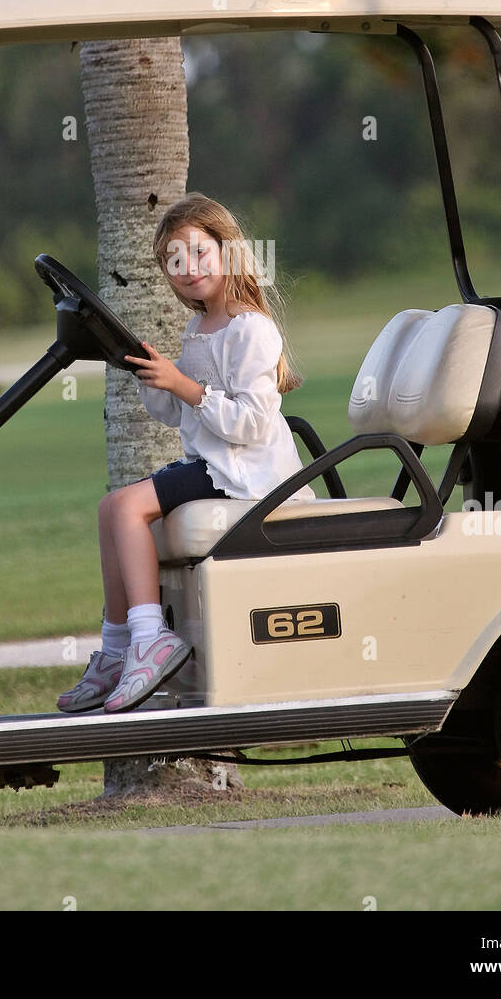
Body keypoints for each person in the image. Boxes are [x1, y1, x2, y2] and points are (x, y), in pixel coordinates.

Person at [57, 191, 316, 715]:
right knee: (112, 508)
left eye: (199, 253)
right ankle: (114, 650)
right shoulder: (199, 328)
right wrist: (157, 378)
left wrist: (185, 385)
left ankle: (151, 638)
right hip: (215, 466)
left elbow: (250, 423)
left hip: (248, 475)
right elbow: (180, 415)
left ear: (228, 252)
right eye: (174, 261)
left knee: (128, 507)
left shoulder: (251, 329)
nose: (188, 269)